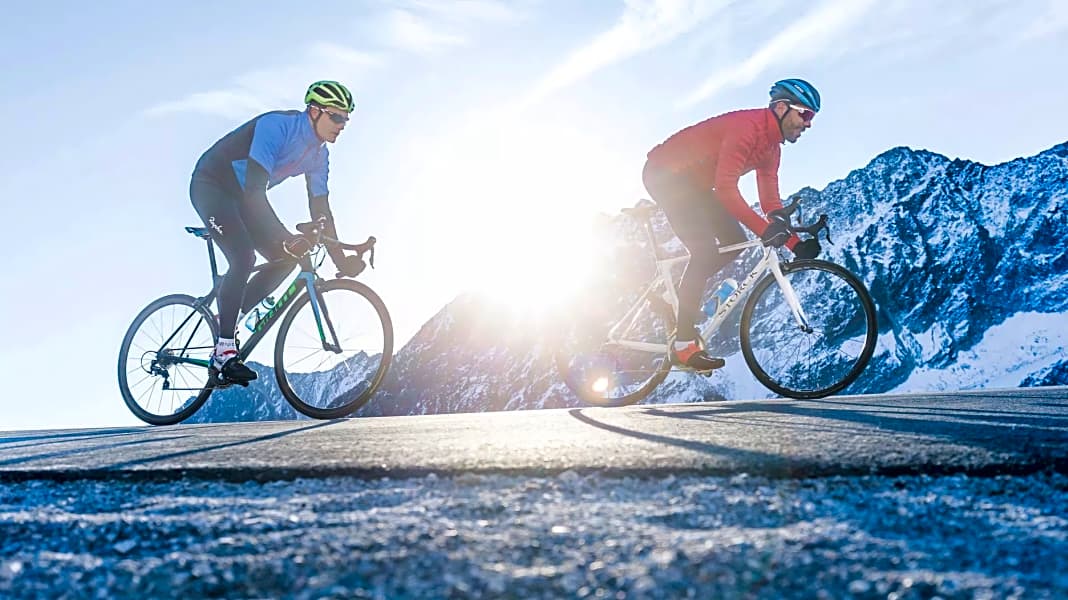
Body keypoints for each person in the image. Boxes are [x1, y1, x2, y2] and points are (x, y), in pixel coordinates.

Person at [641, 78, 823, 372]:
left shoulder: (772, 150)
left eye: (812, 117)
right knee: (703, 251)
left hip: (697, 186)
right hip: (665, 174)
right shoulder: (747, 128)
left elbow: (771, 205)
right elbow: (726, 190)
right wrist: (766, 232)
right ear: (780, 107)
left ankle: (673, 296)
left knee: (732, 241)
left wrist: (795, 245)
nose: (808, 124)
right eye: (805, 114)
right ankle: (683, 346)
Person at [189, 80, 359, 385]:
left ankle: (228, 318)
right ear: (314, 111)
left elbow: (322, 211)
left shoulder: (320, 156)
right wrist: (285, 236)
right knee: (243, 257)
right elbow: (255, 192)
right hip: (211, 185)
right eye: (336, 116)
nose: (342, 125)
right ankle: (224, 351)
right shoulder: (276, 127)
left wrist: (340, 261)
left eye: (346, 119)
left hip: (241, 198)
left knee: (286, 259)